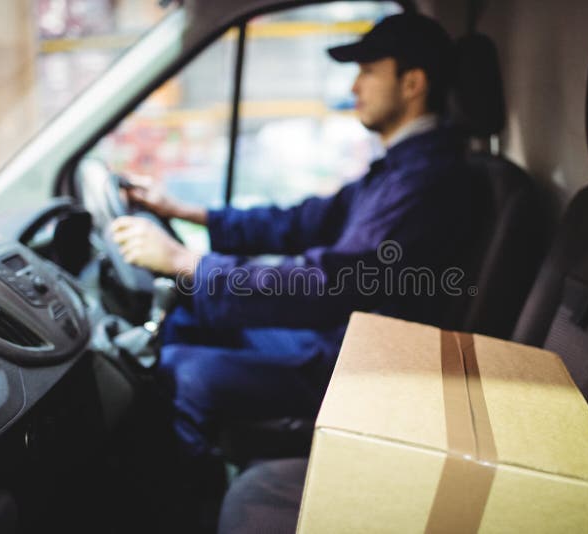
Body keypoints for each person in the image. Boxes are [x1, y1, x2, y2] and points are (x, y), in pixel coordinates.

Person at [110, 12, 468, 459]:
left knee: (184, 370)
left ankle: (194, 503)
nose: (354, 87)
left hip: (356, 363)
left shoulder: (424, 179)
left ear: (413, 84)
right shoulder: (398, 168)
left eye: (368, 72)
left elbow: (333, 281)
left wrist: (188, 263)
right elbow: (299, 222)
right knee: (189, 319)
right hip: (339, 335)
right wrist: (182, 210)